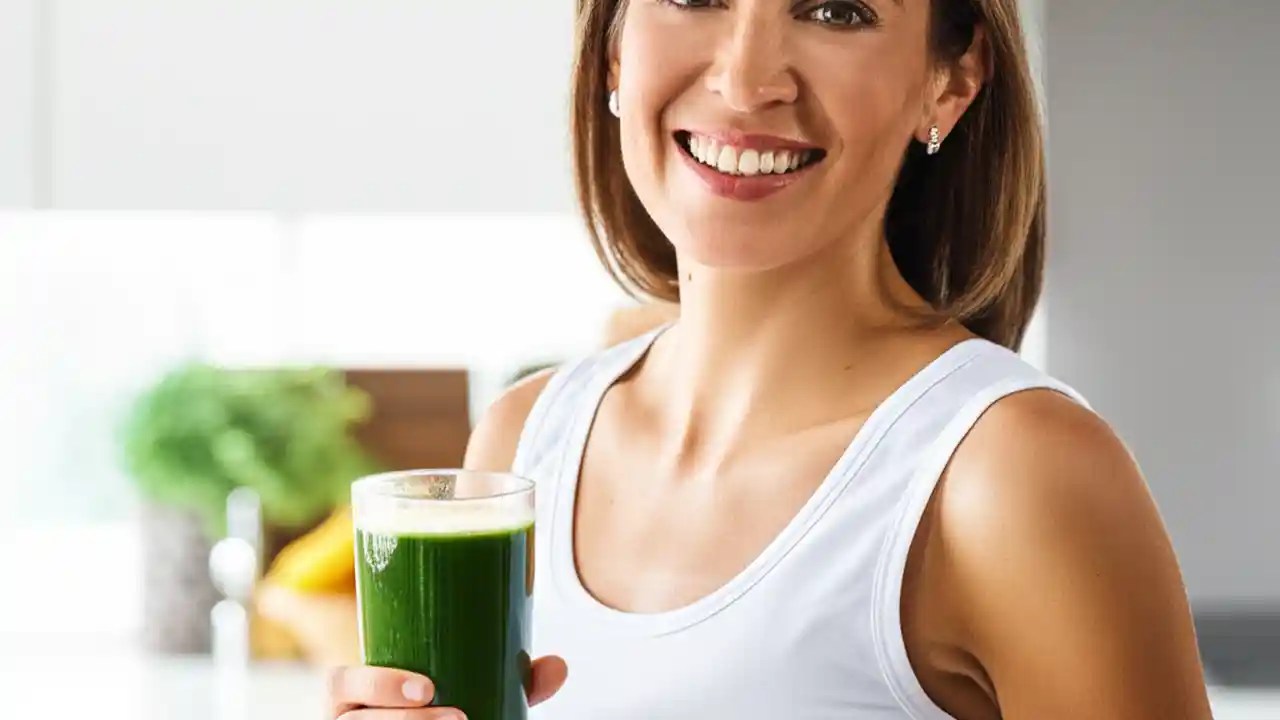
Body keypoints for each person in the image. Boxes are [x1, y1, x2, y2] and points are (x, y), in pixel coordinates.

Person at [329, 0, 1214, 717]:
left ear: (950, 82)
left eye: (836, 11)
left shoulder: (1008, 471)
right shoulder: (525, 441)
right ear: (612, 50)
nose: (747, 80)